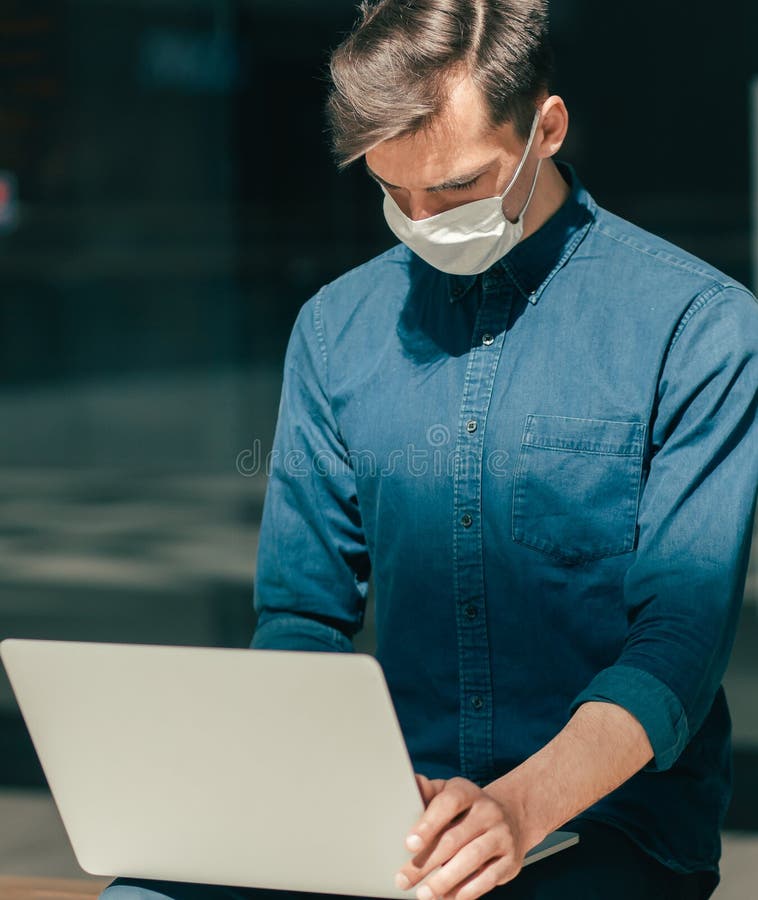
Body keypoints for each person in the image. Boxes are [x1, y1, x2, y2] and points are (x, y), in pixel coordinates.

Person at [100, 2, 758, 899]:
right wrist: (337, 792)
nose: (419, 218)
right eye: (391, 191)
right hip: (389, 816)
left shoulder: (698, 328)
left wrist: (517, 811)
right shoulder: (336, 330)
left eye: (455, 188)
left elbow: (677, 644)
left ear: (547, 129)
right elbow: (301, 614)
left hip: (605, 827)